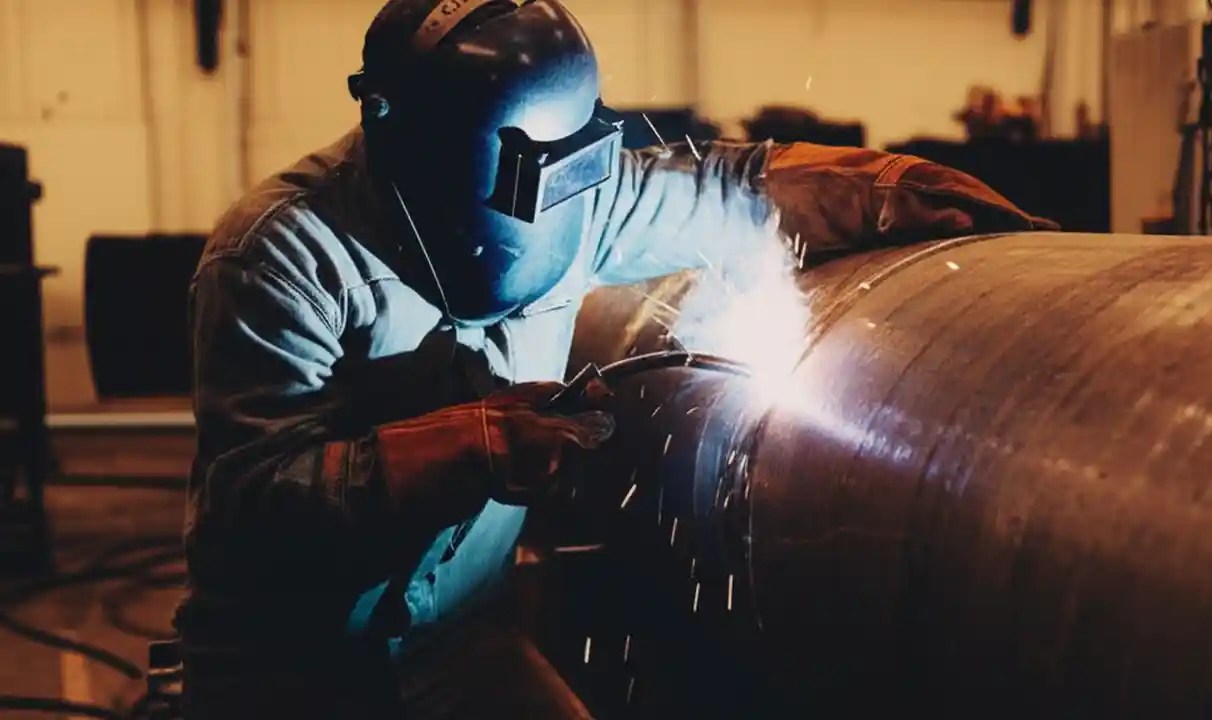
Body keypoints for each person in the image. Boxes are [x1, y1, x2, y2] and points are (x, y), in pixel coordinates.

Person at [176, 0, 1055, 717]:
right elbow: (253, 504)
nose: (555, 206)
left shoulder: (586, 201)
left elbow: (728, 191)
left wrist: (884, 187)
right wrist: (461, 445)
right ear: (416, 149)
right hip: (288, 670)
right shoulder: (281, 255)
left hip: (459, 647)